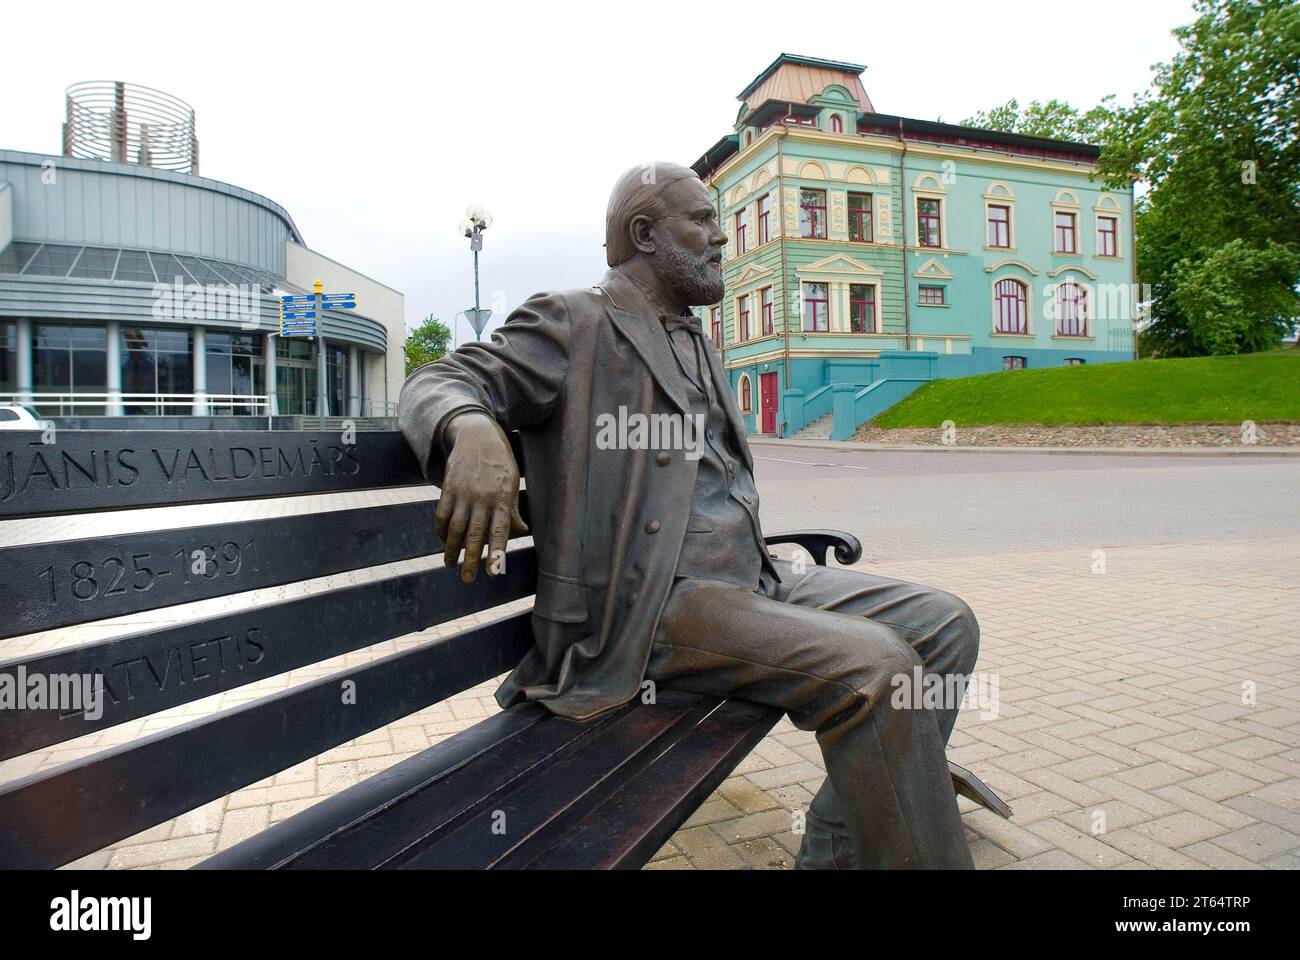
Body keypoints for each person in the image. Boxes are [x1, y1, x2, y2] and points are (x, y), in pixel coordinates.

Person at [399, 162, 978, 869]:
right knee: (879, 668)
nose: (722, 238)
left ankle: (837, 853)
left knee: (944, 624)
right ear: (645, 233)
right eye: (702, 221)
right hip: (655, 609)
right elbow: (441, 377)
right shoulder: (576, 320)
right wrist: (472, 427)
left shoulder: (697, 339)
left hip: (752, 581)